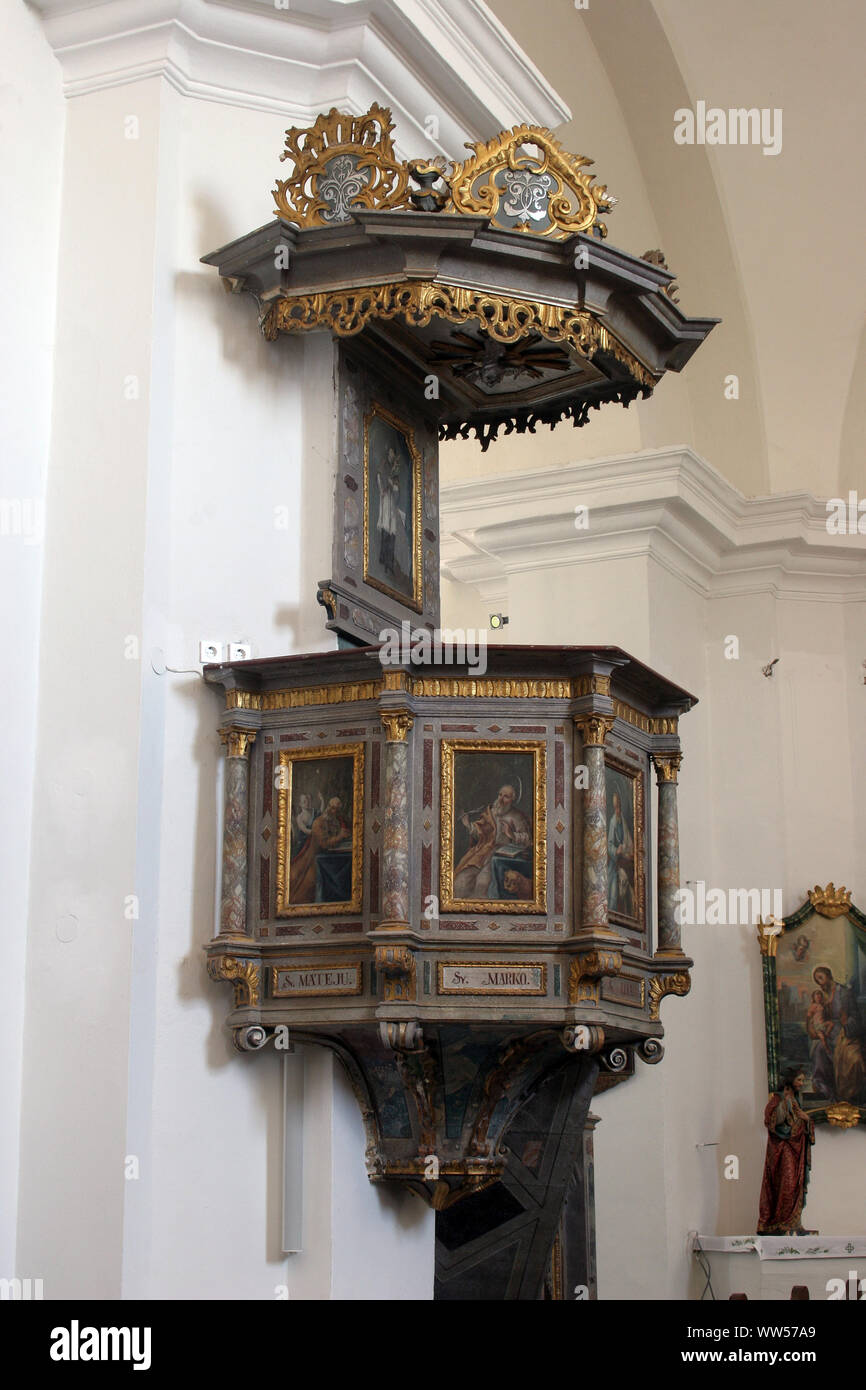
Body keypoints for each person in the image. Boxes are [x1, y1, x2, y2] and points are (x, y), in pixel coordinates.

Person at [757, 1066, 815, 1235]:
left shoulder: (797, 1100)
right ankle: (782, 1221)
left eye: (803, 1080)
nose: (802, 1083)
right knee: (786, 1184)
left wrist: (806, 1120)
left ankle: (795, 1222)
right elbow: (771, 1121)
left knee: (797, 1185)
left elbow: (802, 1120)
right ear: (790, 1081)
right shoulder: (777, 1099)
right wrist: (785, 1105)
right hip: (783, 1151)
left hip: (797, 1150)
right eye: (799, 1080)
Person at [453, 784, 531, 899]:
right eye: (500, 795)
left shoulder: (517, 817)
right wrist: (469, 825)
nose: (501, 799)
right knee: (461, 881)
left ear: (512, 800)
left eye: (506, 796)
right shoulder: (491, 813)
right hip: (483, 851)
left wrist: (512, 834)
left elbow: (527, 838)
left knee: (482, 883)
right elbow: (480, 833)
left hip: (501, 855)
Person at [810, 965, 865, 1101]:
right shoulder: (824, 996)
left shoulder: (844, 992)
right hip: (831, 1033)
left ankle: (849, 1095)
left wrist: (846, 1023)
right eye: (818, 981)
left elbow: (856, 1018)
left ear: (829, 976)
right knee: (819, 1049)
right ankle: (826, 1091)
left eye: (821, 978)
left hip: (846, 1032)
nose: (820, 983)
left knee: (853, 1058)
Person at [289, 796, 351, 903]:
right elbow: (324, 844)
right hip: (316, 857)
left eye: (335, 809)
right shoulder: (318, 823)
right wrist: (340, 837)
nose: (332, 811)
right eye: (330, 807)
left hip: (332, 855)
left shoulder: (337, 820)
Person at [607, 789, 634, 915]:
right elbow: (609, 843)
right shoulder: (613, 821)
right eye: (616, 807)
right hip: (615, 862)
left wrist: (628, 850)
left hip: (625, 860)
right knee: (613, 888)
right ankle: (612, 910)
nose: (618, 810)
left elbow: (628, 839)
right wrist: (616, 850)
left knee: (628, 886)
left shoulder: (622, 820)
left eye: (619, 807)